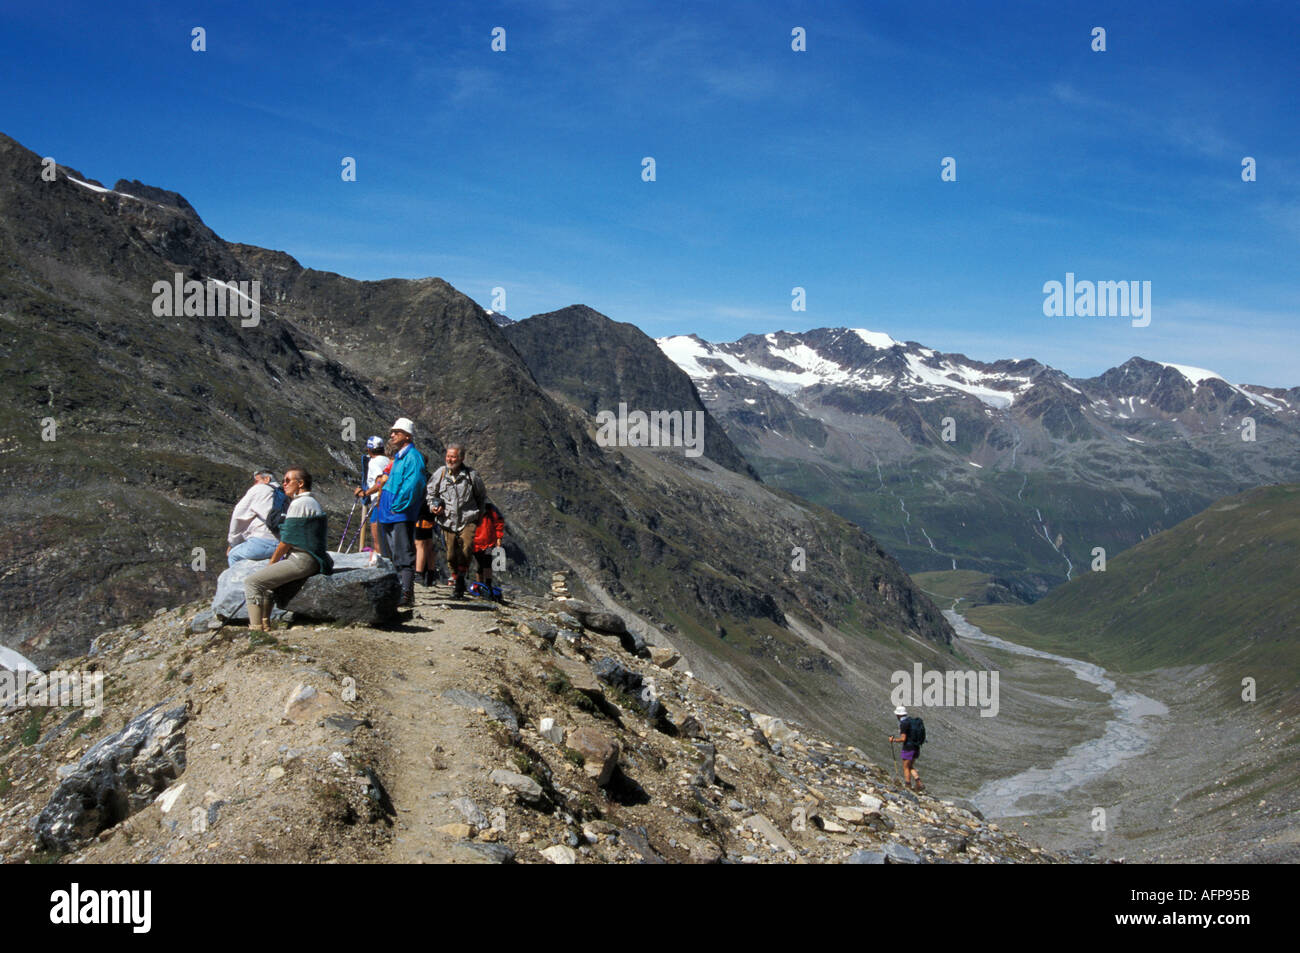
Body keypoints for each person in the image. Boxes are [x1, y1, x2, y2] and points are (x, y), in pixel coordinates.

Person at [243, 468, 332, 632]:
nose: (284, 484)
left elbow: (287, 540)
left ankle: (256, 630)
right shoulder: (312, 502)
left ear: (300, 483)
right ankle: (265, 625)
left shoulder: (298, 504)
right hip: (313, 558)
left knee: (252, 583)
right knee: (269, 585)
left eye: (287, 480)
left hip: (301, 559)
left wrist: (272, 562)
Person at [371, 418, 427, 606]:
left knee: (403, 553)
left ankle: (406, 593)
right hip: (387, 512)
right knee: (391, 553)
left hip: (399, 513)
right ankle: (396, 591)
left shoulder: (413, 457)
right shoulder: (399, 457)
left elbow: (414, 484)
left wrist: (398, 506)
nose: (392, 435)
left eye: (397, 432)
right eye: (392, 431)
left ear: (407, 435)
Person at [426, 444, 487, 599]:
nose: (450, 459)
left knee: (467, 548)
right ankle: (456, 573)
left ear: (461, 458)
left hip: (468, 519)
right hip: (447, 521)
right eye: (448, 456)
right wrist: (433, 506)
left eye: (453, 457)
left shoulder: (472, 476)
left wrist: (480, 515)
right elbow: (431, 493)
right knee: (451, 554)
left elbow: (481, 496)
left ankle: (460, 578)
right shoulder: (440, 474)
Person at [226, 469, 281, 566]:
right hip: (282, 544)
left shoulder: (259, 489)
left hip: (262, 541)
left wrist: (233, 543)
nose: (254, 484)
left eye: (256, 481)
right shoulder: (285, 492)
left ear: (267, 479)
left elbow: (238, 516)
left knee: (233, 555)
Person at [354, 436, 390, 555]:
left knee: (377, 537)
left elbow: (379, 482)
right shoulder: (387, 460)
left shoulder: (374, 463)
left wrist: (365, 493)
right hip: (390, 502)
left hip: (379, 503)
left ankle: (380, 563)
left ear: (369, 450)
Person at [468, 501, 505, 601]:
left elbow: (499, 523)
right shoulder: (470, 508)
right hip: (475, 543)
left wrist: (498, 538)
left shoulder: (490, 509)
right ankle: (481, 587)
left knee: (487, 563)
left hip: (489, 543)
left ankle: (487, 586)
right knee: (479, 565)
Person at [889, 705, 925, 792]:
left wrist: (893, 740)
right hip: (916, 747)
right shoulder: (911, 721)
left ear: (899, 715)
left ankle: (907, 785)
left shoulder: (904, 724)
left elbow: (903, 739)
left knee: (905, 767)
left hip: (908, 747)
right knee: (910, 766)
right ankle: (919, 782)